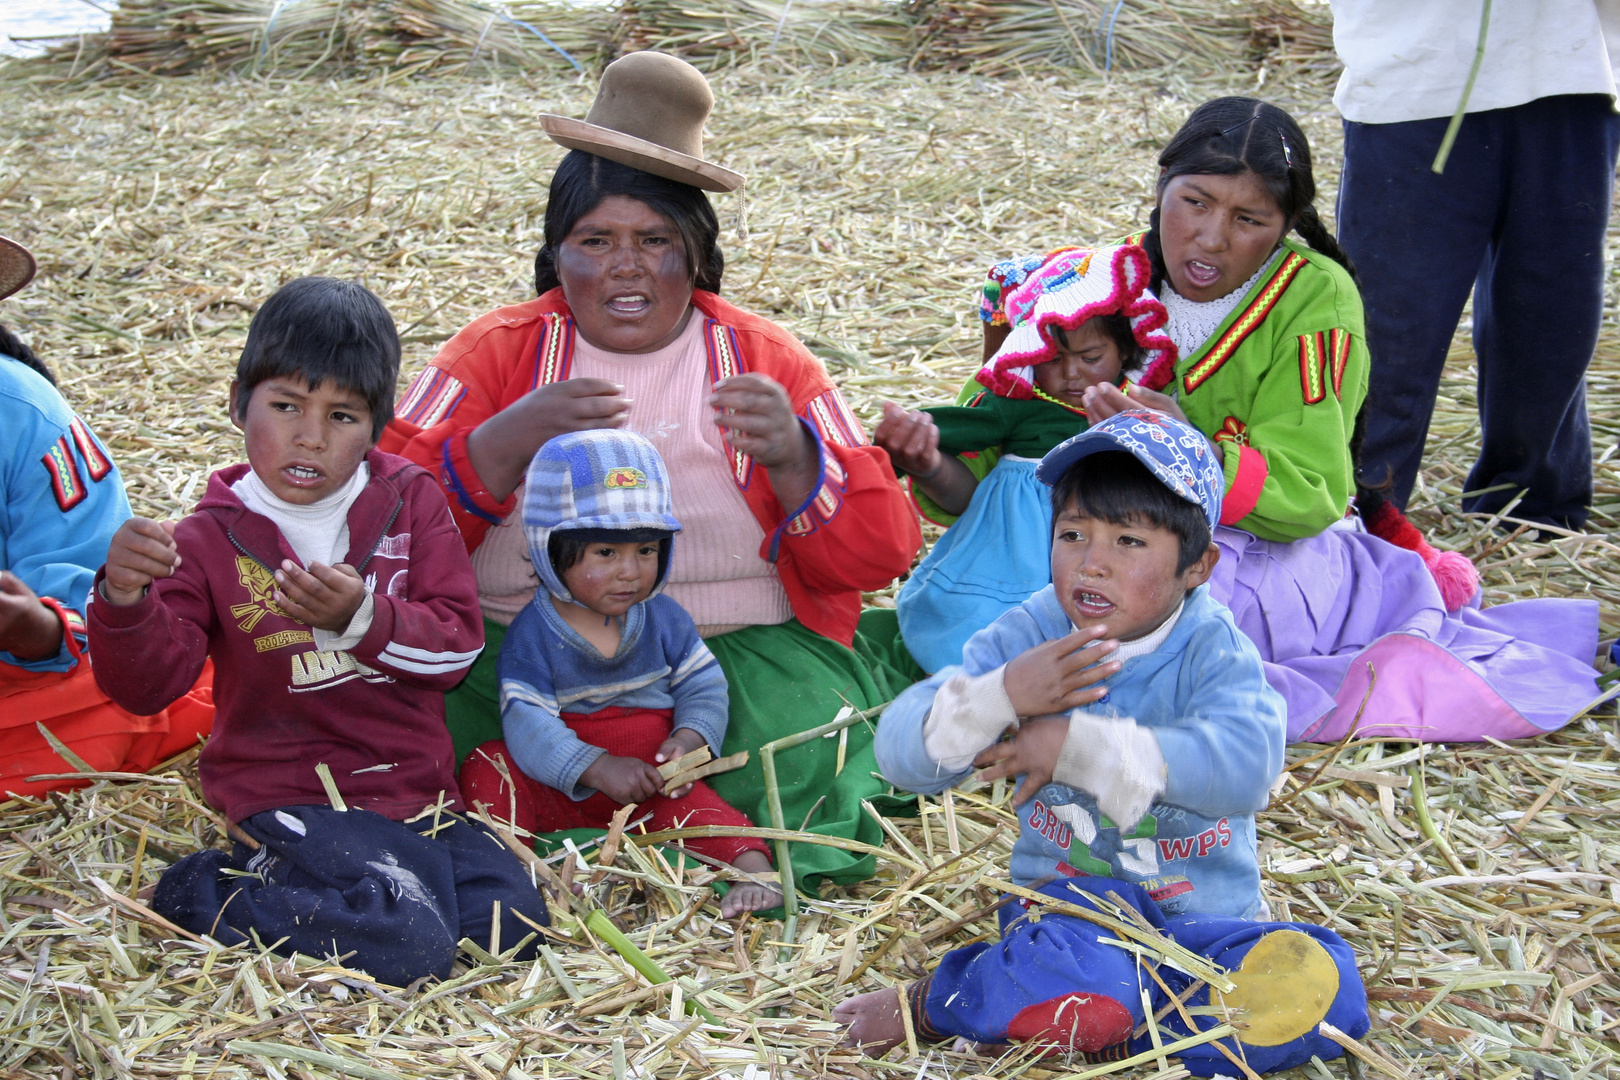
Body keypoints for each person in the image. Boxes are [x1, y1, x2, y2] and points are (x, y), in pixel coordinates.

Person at [380, 52, 921, 891]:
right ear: (557, 253)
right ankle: (628, 830)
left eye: (655, 241)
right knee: (396, 724)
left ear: (695, 253)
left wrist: (794, 459)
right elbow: (380, 527)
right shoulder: (498, 353)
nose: (625, 266)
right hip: (521, 658)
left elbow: (884, 551)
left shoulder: (765, 360)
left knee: (804, 752)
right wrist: (501, 443)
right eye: (596, 241)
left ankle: (622, 829)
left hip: (728, 656)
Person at [969, 97, 1598, 744]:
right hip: (1092, 532)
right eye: (1194, 201)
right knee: (1004, 584)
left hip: (1263, 546)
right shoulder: (1101, 282)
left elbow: (1312, 494)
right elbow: (993, 437)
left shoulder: (1314, 298)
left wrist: (1190, 450)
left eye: (1249, 218)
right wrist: (937, 453)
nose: (1212, 237)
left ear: (1286, 224)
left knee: (1181, 619)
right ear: (1161, 188)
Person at [839, 411, 1368, 1072]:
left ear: (1198, 565)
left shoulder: (1212, 650)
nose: (1092, 563)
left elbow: (1248, 766)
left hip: (1202, 929)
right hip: (1073, 923)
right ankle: (942, 999)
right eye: (1072, 534)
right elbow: (900, 754)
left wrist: (1080, 750)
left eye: (1128, 541)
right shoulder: (1032, 635)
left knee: (1326, 990)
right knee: (1083, 976)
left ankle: (1118, 1029)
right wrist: (1001, 695)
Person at [86, 277, 546, 986]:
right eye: (285, 406)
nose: (310, 436)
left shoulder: (408, 504)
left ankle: (377, 886)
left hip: (414, 792)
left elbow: (455, 649)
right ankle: (208, 892)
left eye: (342, 416)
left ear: (377, 426)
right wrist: (124, 597)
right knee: (409, 944)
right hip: (292, 791)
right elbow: (147, 687)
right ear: (239, 402)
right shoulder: (209, 539)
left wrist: (360, 620)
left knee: (511, 927)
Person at [457, 429, 782, 917]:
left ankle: (754, 869)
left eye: (646, 551)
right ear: (551, 552)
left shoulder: (665, 618)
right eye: (606, 554)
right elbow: (528, 721)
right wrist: (594, 766)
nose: (631, 572)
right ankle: (508, 866)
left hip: (649, 785)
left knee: (706, 816)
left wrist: (690, 739)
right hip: (556, 783)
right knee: (488, 766)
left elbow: (703, 683)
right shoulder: (533, 634)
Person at [1330, 1, 1620, 532]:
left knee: (1552, 317)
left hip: (1573, 70)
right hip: (1415, 73)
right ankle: (1355, 514)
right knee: (1388, 325)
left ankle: (1533, 515)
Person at [875, 243, 1175, 673]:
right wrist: (908, 443)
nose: (1072, 374)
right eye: (1052, 360)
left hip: (1105, 548)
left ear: (1125, 351)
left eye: (1091, 358)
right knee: (985, 622)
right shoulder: (1014, 401)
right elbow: (957, 427)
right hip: (1010, 550)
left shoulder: (1140, 407)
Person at [0, 231, 213, 799]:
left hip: (27, 679)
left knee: (140, 691)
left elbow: (87, 615)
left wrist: (27, 626)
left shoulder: (27, 415)